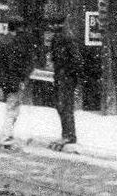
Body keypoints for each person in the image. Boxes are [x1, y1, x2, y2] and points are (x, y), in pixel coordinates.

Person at [0, 16, 39, 148]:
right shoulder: (20, 43)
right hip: (16, 80)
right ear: (20, 27)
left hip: (4, 80)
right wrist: (24, 78)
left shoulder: (2, 40)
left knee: (11, 107)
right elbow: (26, 64)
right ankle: (6, 136)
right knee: (13, 109)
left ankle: (7, 135)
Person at [48, 13, 84, 148]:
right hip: (60, 76)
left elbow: (77, 60)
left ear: (59, 24)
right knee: (61, 106)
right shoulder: (58, 38)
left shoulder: (67, 37)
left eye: (53, 24)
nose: (51, 27)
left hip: (66, 78)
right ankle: (67, 134)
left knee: (65, 106)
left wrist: (72, 77)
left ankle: (69, 135)